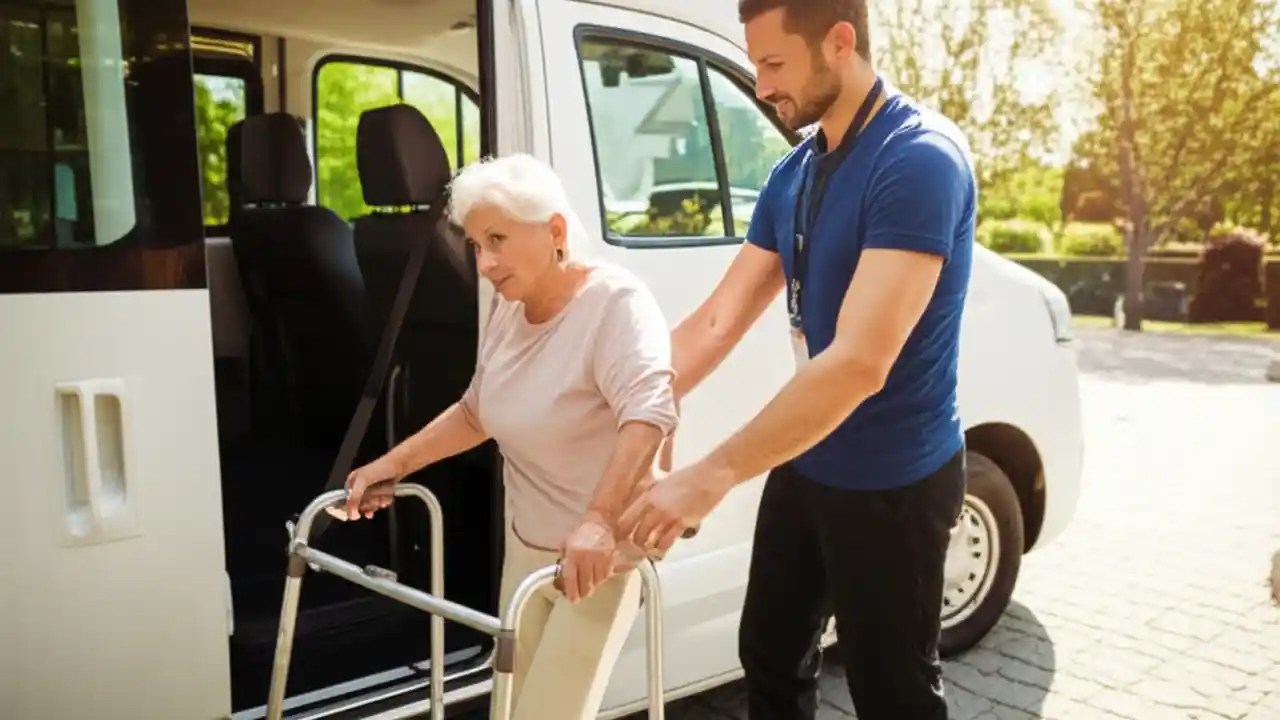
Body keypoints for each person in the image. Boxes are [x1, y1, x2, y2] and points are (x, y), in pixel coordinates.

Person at [618, 1, 977, 718]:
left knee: (892, 694)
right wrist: (636, 409)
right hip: (809, 459)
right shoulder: (796, 173)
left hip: (894, 483)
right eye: (755, 65)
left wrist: (709, 475)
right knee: (770, 655)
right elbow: (718, 321)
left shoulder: (918, 161)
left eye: (775, 64)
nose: (761, 86)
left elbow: (857, 364)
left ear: (839, 43)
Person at [340, 153, 679, 720]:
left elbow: (650, 412)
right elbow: (476, 413)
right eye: (475, 245)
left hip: (597, 559)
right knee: (510, 711)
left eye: (496, 239)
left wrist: (598, 522)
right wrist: (391, 466)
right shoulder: (509, 305)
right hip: (527, 549)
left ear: (554, 231)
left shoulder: (615, 304)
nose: (485, 263)